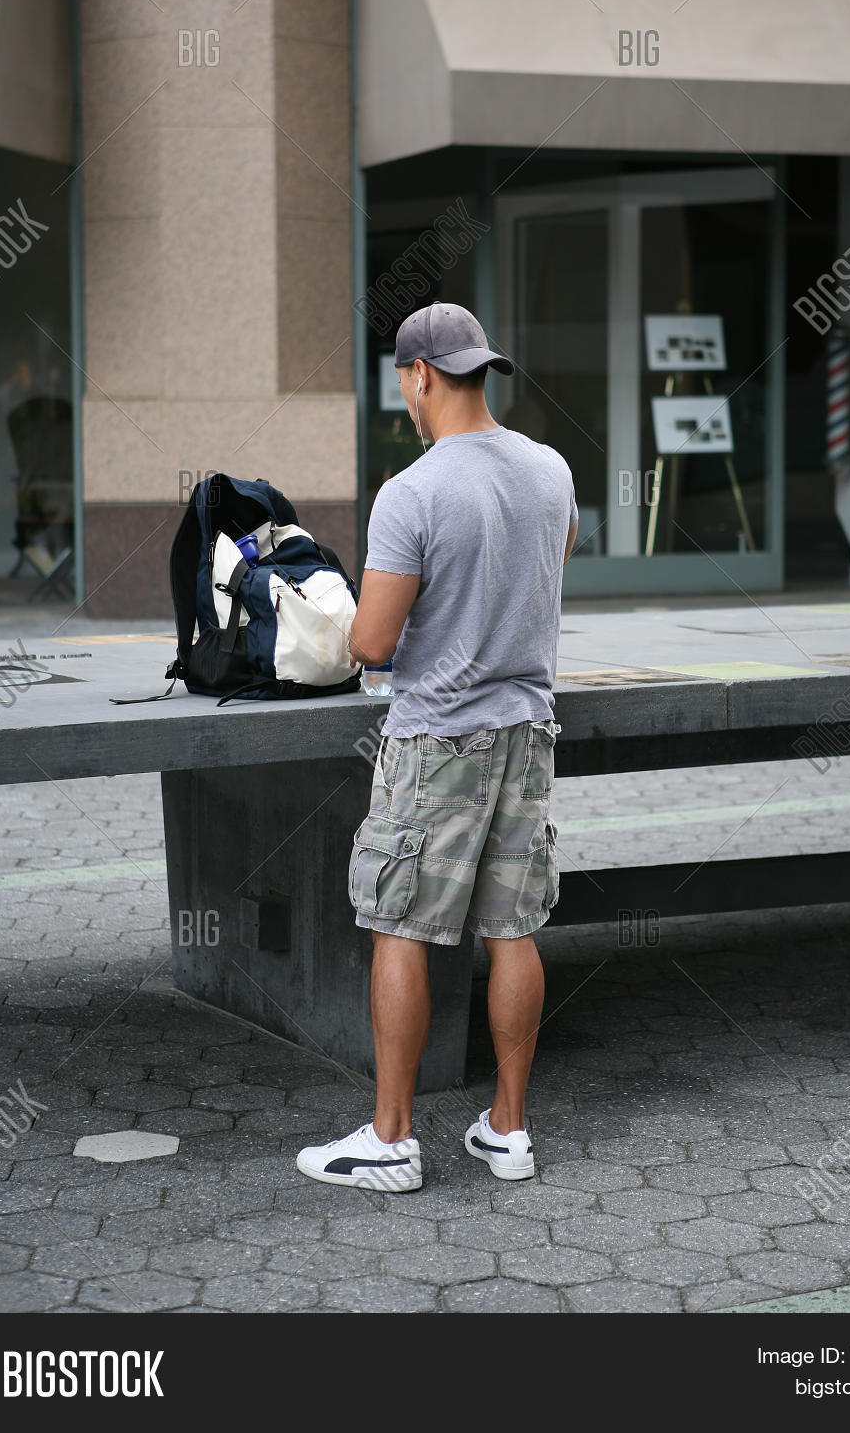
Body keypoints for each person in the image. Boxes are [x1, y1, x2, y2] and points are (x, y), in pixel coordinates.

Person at [296, 302, 578, 1193]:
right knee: (513, 927)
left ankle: (391, 1139)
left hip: (440, 739)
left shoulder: (412, 491)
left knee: (400, 924)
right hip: (528, 734)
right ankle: (507, 1129)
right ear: (478, 369)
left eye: (403, 384)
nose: (406, 400)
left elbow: (372, 644)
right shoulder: (552, 470)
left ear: (419, 375)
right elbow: (552, 561)